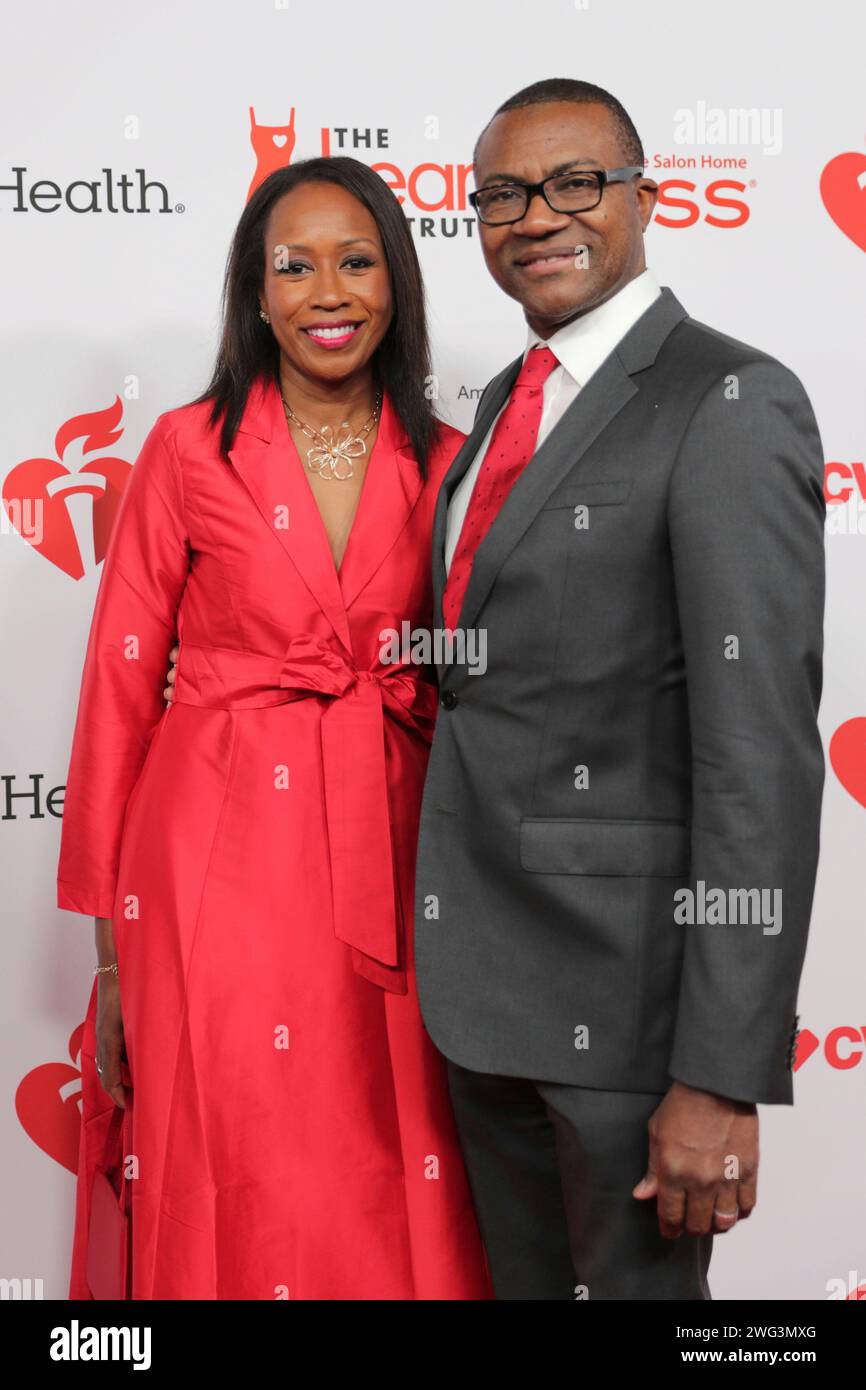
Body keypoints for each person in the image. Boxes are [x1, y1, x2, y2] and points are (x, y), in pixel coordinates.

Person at [411, 79, 825, 1299]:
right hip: (481, 1000)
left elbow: (754, 755)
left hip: (632, 1022)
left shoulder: (728, 401)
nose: (533, 216)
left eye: (573, 182)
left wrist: (716, 1073)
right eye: (498, 194)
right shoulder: (501, 406)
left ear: (644, 196)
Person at [57, 155, 492, 1300]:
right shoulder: (187, 451)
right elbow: (117, 688)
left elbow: (481, 692)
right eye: (291, 267)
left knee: (390, 1135)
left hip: (396, 847)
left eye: (355, 261)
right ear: (255, 294)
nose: (326, 292)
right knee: (230, 1132)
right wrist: (109, 947)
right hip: (213, 858)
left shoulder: (450, 466)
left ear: (395, 283)